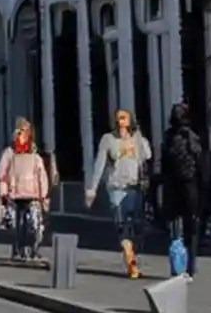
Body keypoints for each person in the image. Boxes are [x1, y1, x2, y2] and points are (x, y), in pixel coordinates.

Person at [86, 108, 152, 279]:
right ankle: (131, 262)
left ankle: (132, 256)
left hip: (135, 187)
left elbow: (148, 156)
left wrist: (139, 137)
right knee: (122, 225)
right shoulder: (108, 140)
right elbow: (100, 164)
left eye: (124, 118)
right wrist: (92, 188)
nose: (121, 122)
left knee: (135, 226)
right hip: (116, 187)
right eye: (118, 119)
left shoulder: (138, 139)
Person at [0, 117, 50, 264]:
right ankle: (18, 249)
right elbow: (2, 175)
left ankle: (32, 249)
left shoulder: (34, 154)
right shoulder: (10, 153)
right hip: (15, 194)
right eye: (20, 132)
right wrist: (3, 194)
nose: (23, 135)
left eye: (26, 132)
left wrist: (43, 195)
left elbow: (41, 175)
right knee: (16, 225)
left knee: (34, 224)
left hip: (32, 194)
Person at [160, 102, 203, 279]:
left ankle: (180, 267)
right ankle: (186, 267)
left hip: (178, 186)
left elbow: (163, 163)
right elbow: (200, 164)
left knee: (178, 230)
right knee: (189, 230)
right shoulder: (191, 137)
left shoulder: (172, 137)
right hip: (187, 186)